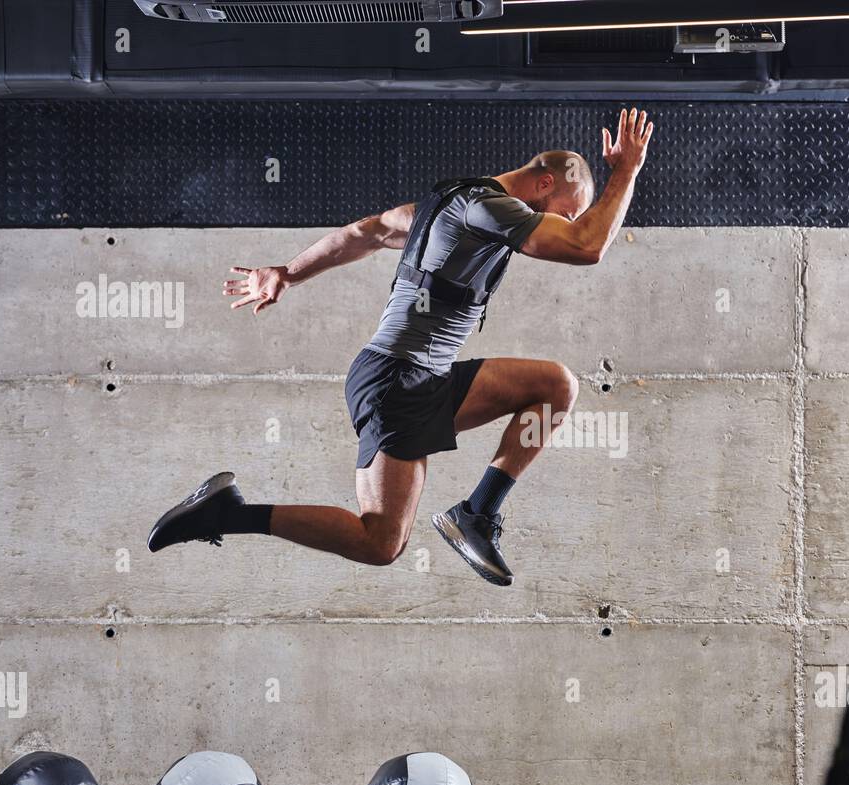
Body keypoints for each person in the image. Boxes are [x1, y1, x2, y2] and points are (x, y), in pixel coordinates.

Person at [148, 108, 655, 586]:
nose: (561, 227)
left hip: (422, 376)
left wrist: (287, 273)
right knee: (380, 543)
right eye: (562, 214)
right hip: (396, 382)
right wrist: (627, 171)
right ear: (544, 182)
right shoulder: (485, 206)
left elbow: (365, 232)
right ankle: (229, 513)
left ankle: (477, 514)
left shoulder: (446, 205)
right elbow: (587, 247)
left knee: (554, 387)